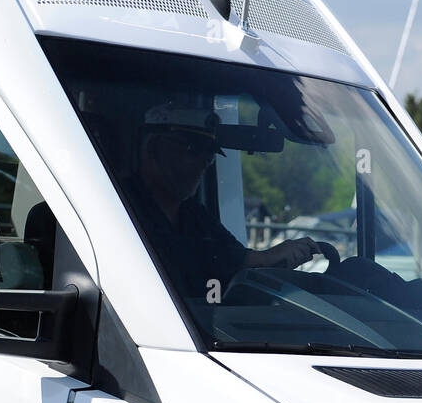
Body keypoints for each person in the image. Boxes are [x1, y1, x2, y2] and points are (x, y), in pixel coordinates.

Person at [131, 104, 323, 299]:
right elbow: (180, 258)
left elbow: (234, 256)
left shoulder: (195, 214)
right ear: (153, 148)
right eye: (192, 149)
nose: (203, 163)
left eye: (209, 155)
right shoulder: (126, 207)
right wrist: (265, 258)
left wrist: (274, 260)